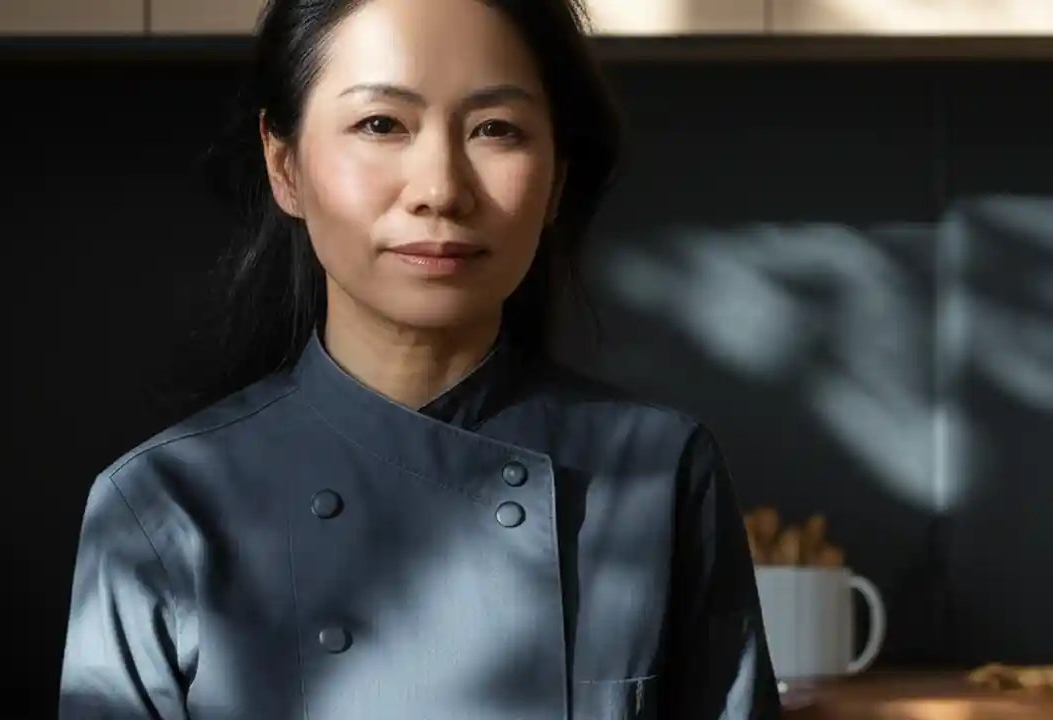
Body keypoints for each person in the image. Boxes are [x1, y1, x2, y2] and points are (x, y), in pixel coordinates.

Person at [58, 0, 781, 717]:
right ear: (285, 166)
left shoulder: (658, 472)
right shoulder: (164, 504)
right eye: (381, 124)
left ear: (556, 179)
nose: (440, 191)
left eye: (495, 128)